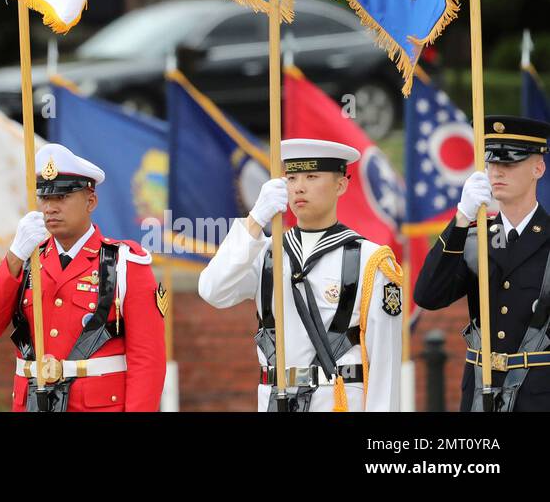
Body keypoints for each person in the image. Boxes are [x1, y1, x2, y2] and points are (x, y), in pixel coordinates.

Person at [198, 138, 402, 412]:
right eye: (291, 178)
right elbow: (213, 290)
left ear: (340, 185)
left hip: (336, 400)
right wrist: (255, 219)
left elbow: (385, 364)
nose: (299, 187)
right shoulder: (266, 253)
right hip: (274, 398)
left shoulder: (370, 260)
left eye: (312, 176)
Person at [0, 143, 167, 412]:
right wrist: (14, 254)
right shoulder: (27, 259)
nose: (50, 208)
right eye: (45, 198)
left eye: (62, 197)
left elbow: (148, 361)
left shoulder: (124, 263)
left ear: (90, 201)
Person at [414, 114, 550, 411]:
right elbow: (428, 295)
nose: (496, 172)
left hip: (538, 396)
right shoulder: (475, 236)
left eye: (509, 163)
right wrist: (461, 218)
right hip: (479, 392)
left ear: (537, 168)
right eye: (491, 163)